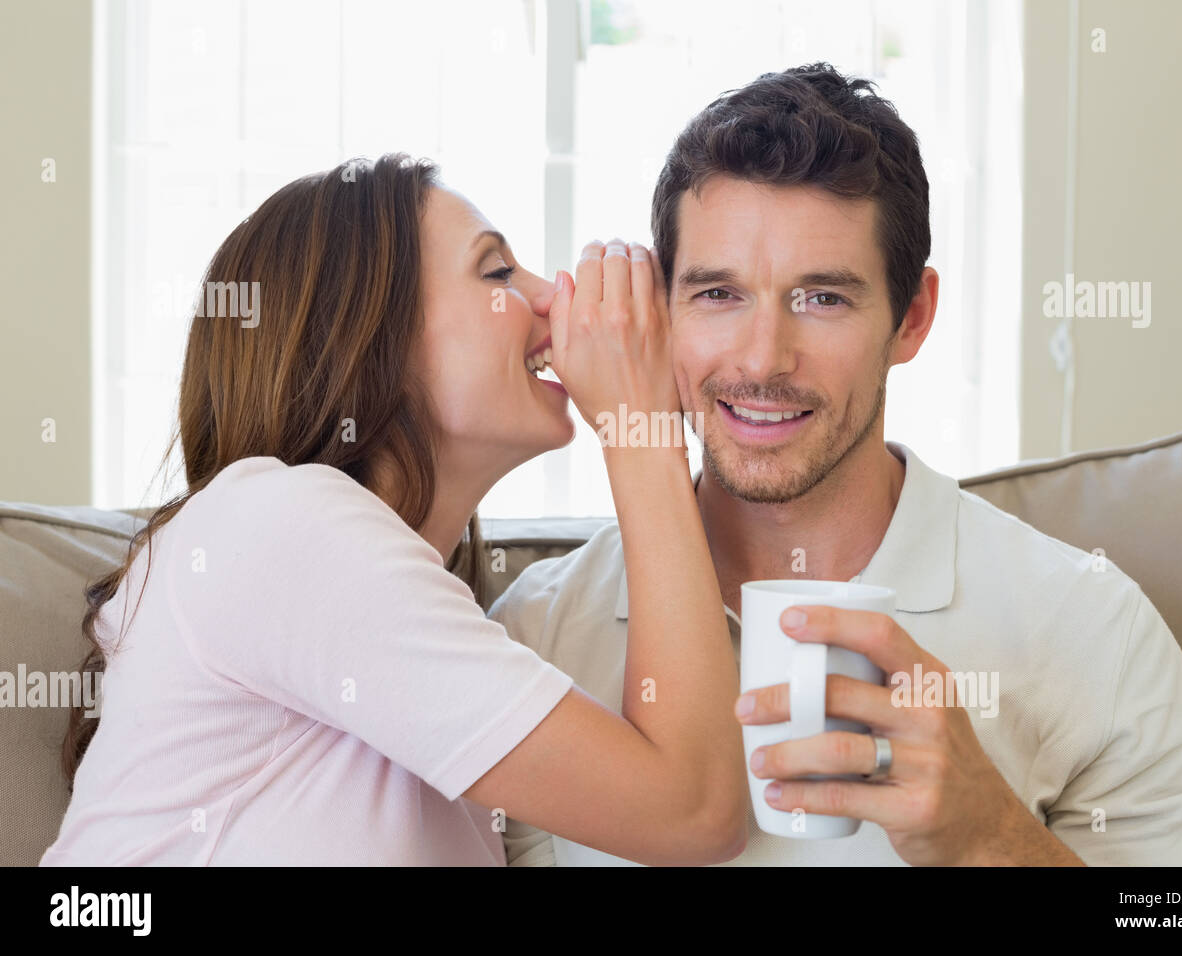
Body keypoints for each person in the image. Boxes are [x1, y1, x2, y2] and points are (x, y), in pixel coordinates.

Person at [489, 64, 1182, 866]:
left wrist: (992, 841)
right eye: (718, 295)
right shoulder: (538, 634)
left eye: (824, 298)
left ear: (912, 317)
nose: (762, 359)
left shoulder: (1090, 626)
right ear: (661, 311)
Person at [42, 153, 749, 866]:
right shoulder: (277, 520)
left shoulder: (446, 713)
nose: (550, 296)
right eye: (497, 272)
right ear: (364, 334)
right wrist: (641, 427)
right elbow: (694, 811)